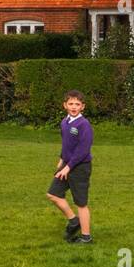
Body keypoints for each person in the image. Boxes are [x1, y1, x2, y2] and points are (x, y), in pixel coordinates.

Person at [46, 89, 94, 244]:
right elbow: (67, 144)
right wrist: (62, 160)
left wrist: (69, 167)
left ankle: (86, 237)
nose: (74, 107)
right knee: (53, 194)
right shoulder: (64, 122)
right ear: (65, 105)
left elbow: (82, 150)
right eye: (71, 103)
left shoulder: (84, 124)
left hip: (80, 167)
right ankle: (74, 221)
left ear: (83, 107)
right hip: (67, 165)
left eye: (77, 104)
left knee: (81, 203)